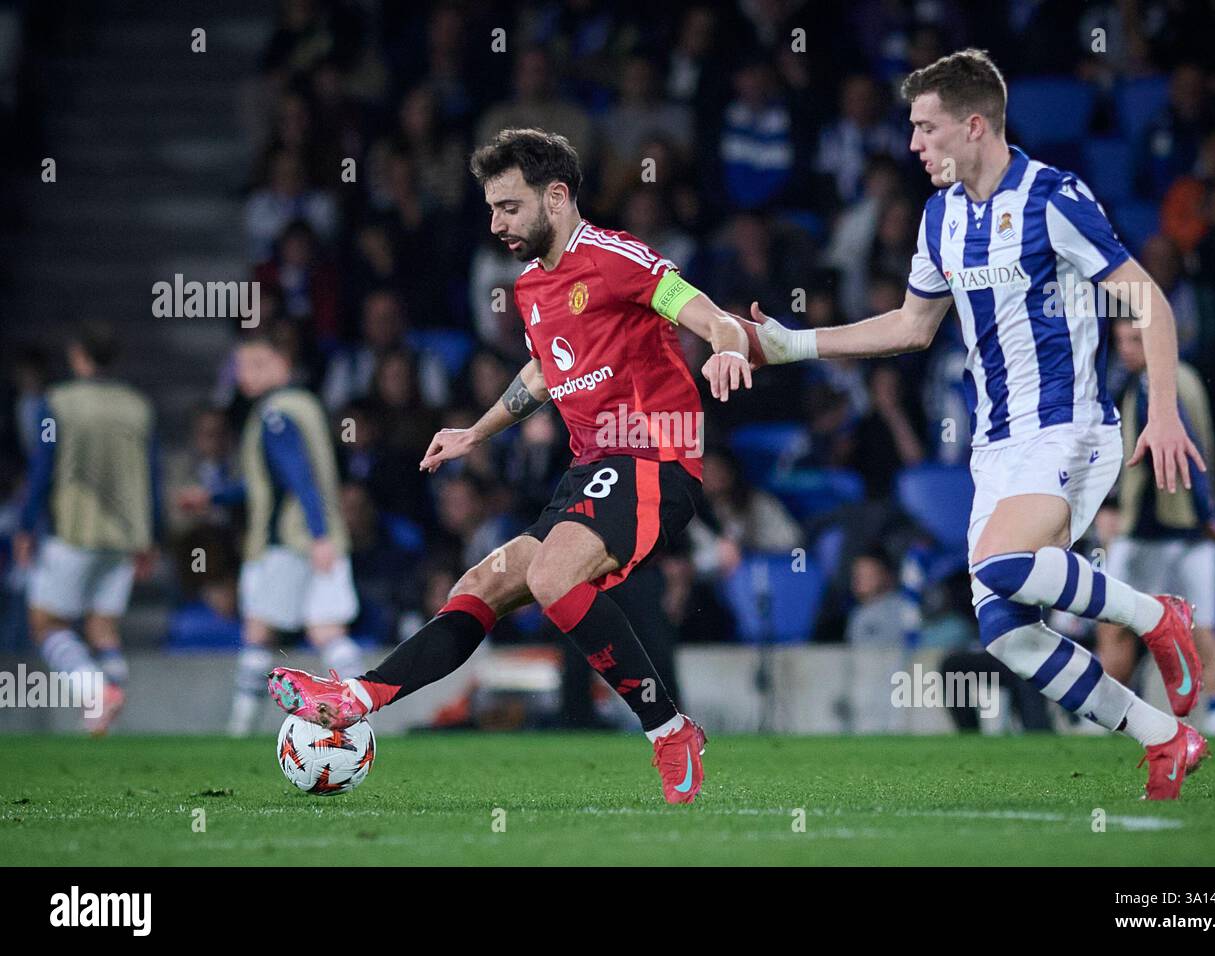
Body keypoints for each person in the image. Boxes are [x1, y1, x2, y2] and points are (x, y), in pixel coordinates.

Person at [745, 50, 1209, 799]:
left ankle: (1159, 615)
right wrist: (792, 344)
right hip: (995, 449)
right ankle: (1165, 737)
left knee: (997, 565)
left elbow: (1147, 299)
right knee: (1009, 634)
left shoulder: (1053, 197)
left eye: (926, 129)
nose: (913, 145)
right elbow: (909, 327)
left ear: (972, 125)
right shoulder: (942, 216)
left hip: (1068, 431)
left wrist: (1161, 411)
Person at [268, 128, 754, 804]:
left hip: (654, 456)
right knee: (483, 583)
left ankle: (669, 730)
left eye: (509, 207)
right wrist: (477, 431)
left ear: (557, 197)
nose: (496, 223)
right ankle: (355, 696)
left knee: (554, 578)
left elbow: (705, 313)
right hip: (591, 469)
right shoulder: (531, 288)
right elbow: (544, 371)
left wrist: (727, 346)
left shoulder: (618, 258)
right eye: (491, 208)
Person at [178, 335, 365, 736]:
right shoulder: (308, 405)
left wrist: (316, 536)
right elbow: (271, 482)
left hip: (288, 542)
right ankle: (363, 712)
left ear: (276, 364)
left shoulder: (274, 415)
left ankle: (241, 725)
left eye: (251, 364)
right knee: (327, 630)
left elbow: (297, 477)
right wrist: (214, 496)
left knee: (258, 631)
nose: (244, 374)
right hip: (324, 536)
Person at [14, 323, 162, 734]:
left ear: (78, 354)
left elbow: (42, 469)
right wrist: (154, 536)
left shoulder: (58, 403)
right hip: (126, 536)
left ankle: (95, 692)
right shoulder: (138, 407)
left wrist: (26, 525)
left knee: (45, 624)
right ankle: (106, 713)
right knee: (102, 625)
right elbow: (153, 475)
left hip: (74, 530)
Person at [1096, 317, 1215, 736]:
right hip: (1164, 528)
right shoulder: (1157, 380)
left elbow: (1186, 449)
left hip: (1165, 529)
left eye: (1136, 340)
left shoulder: (1162, 384)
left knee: (1127, 622)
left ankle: (1110, 709)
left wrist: (1206, 516)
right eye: (1121, 340)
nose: (1126, 349)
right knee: (1190, 624)